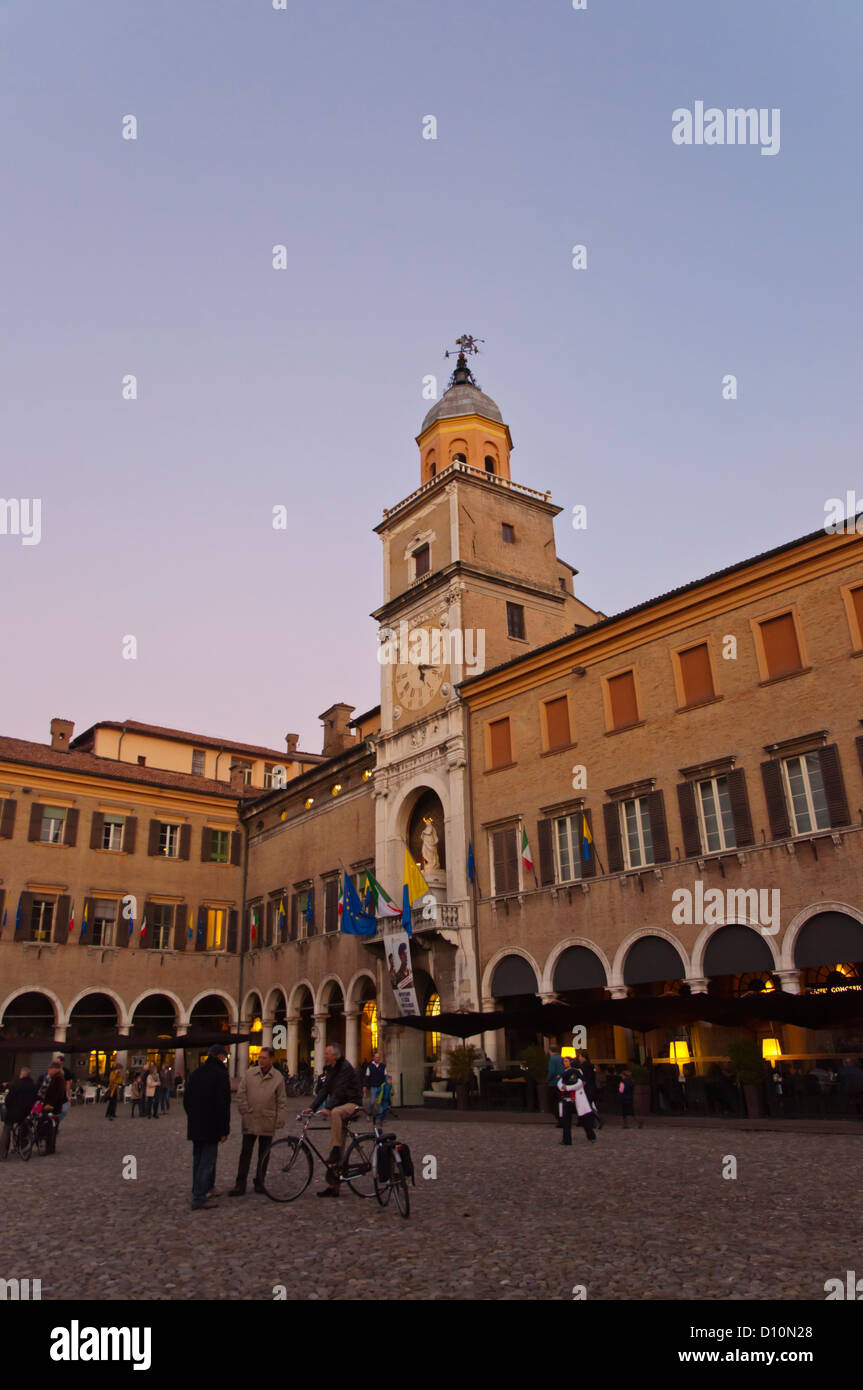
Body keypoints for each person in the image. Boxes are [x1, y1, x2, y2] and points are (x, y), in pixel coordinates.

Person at [303, 1043, 363, 1199]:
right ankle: (333, 1186)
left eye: (327, 1053)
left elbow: (340, 1090)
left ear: (335, 1055)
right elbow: (325, 1090)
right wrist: (312, 1106)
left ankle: (335, 1151)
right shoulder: (331, 1069)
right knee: (337, 1141)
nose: (324, 1056)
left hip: (353, 1103)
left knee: (335, 1113)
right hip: (341, 1106)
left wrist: (328, 1108)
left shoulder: (345, 1067)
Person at [229, 1047, 287, 1196]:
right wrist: (244, 1110)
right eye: (260, 1057)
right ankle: (240, 1183)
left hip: (267, 1119)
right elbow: (241, 1094)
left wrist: (279, 1119)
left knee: (264, 1154)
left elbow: (281, 1101)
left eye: (264, 1058)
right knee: (245, 1153)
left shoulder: (278, 1077)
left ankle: (260, 1182)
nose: (260, 1060)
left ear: (271, 1059)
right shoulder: (249, 1074)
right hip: (251, 1118)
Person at [183, 1044, 231, 1211]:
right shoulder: (220, 1075)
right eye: (224, 1057)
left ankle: (204, 1188)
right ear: (219, 1057)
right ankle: (199, 1197)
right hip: (212, 1126)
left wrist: (193, 1117)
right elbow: (223, 1104)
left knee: (198, 1158)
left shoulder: (196, 1073)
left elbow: (186, 1099)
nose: (225, 1060)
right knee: (208, 1161)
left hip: (196, 1124)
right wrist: (224, 1129)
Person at [1, 1067, 37, 1159]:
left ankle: (2, 1153)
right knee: (24, 1125)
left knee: (7, 1128)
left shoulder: (17, 1084)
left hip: (14, 1112)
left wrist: (8, 1107)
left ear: (22, 1074)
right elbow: (35, 1098)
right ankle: (23, 1146)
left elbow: (8, 1099)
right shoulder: (33, 1085)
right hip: (27, 1112)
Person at [557, 1061, 597, 1144]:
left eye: (566, 1061)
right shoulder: (564, 1072)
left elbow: (579, 1084)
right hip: (566, 1099)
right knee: (566, 1121)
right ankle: (566, 1140)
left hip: (577, 1099)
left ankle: (591, 1136)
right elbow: (559, 1083)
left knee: (584, 1119)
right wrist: (562, 1087)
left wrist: (567, 1087)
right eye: (564, 1061)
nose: (565, 1063)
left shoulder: (578, 1072)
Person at [37, 1061, 67, 1153]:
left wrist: (51, 1105)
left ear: (55, 1069)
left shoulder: (59, 1078)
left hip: (53, 1107)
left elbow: (58, 1093)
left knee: (49, 1127)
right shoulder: (55, 1077)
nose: (48, 1071)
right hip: (52, 1106)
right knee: (50, 1126)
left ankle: (49, 1148)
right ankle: (49, 1147)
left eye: (50, 1069)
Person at [361, 1050, 386, 1120]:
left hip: (381, 1087)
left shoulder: (383, 1066)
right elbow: (367, 1077)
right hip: (373, 1087)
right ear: (373, 1058)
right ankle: (369, 1114)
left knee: (380, 1102)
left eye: (378, 1057)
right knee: (372, 1102)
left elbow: (385, 1076)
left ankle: (380, 1117)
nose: (377, 1058)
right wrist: (365, 1086)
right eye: (376, 1057)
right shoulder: (370, 1066)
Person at [547, 1045, 566, 1126]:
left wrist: (547, 1079)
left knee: (553, 1102)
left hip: (554, 1083)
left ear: (550, 1051)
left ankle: (560, 1119)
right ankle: (562, 1118)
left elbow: (551, 1071)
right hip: (561, 1083)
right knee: (560, 1101)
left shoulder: (552, 1059)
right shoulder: (561, 1058)